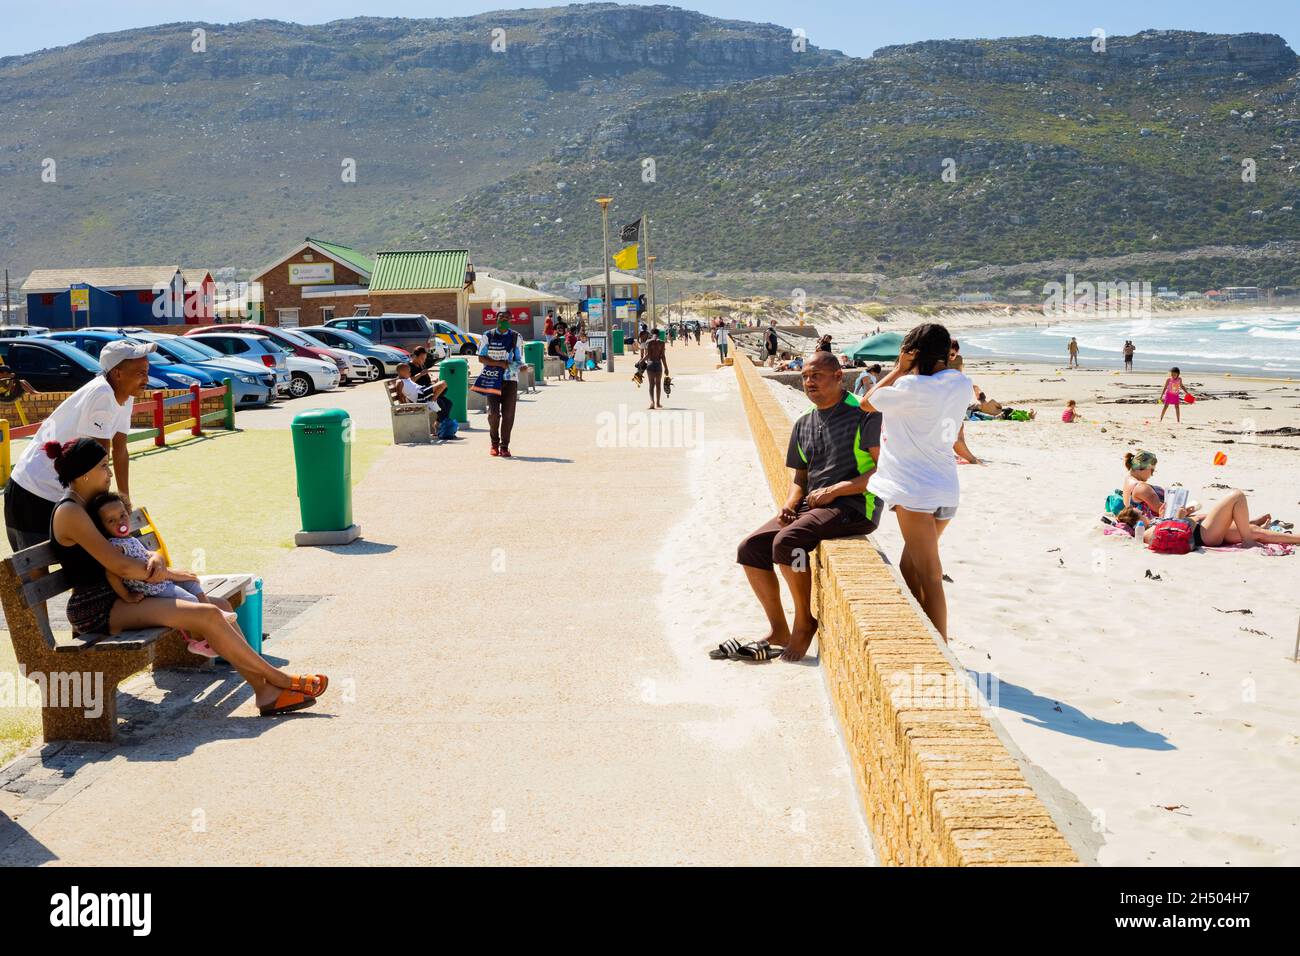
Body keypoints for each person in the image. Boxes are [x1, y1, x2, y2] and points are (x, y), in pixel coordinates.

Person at [46, 438, 327, 715]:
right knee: (207, 614)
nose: (109, 473)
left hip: (131, 593)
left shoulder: (90, 503)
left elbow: (134, 549)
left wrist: (156, 559)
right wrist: (164, 571)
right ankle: (279, 679)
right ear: (83, 473)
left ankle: (265, 693)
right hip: (98, 606)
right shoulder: (70, 511)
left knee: (221, 607)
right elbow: (119, 565)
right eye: (104, 466)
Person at [728, 351, 882, 663]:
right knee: (751, 548)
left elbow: (884, 470)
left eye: (817, 376)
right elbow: (800, 477)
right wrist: (789, 504)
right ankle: (779, 629)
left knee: (789, 544)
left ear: (839, 377)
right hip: (813, 506)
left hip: (855, 505)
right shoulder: (803, 424)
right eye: (805, 377)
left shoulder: (865, 414)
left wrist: (838, 488)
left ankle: (804, 622)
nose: (809, 382)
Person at [859, 324, 974, 641]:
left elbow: (867, 402)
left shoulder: (909, 387)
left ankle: (940, 647)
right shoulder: (961, 384)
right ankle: (925, 630)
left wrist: (898, 368)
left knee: (929, 574)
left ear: (914, 354)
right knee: (910, 568)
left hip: (914, 493)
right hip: (946, 489)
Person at [4, 339, 153, 554]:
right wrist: (109, 506)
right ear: (117, 373)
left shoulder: (125, 395)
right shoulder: (102, 393)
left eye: (147, 371)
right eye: (141, 373)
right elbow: (98, 459)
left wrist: (125, 502)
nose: (147, 379)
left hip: (64, 493)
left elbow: (120, 450)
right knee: (35, 576)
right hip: (32, 491)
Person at [90, 491, 226, 657]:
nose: (120, 522)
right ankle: (198, 641)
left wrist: (156, 556)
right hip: (154, 589)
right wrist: (127, 596)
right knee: (190, 601)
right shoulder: (115, 546)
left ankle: (214, 611)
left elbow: (149, 554)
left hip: (162, 581)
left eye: (122, 515)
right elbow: (112, 574)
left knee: (192, 582)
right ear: (102, 526)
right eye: (111, 521)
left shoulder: (130, 539)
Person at [1117, 491, 1300, 548]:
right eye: (1140, 512)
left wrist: (1170, 516)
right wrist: (1180, 518)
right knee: (1237, 496)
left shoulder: (1153, 523)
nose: (1144, 512)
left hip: (1204, 530)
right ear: (1136, 520)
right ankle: (1247, 541)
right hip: (1204, 534)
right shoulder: (1147, 531)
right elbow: (1171, 535)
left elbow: (1173, 527)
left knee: (1254, 531)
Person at [478, 312, 524, 457]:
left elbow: (518, 359)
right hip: (491, 378)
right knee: (493, 414)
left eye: (506, 319)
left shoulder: (516, 337)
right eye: (501, 318)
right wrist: (499, 363)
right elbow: (481, 358)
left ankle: (504, 446)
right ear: (496, 320)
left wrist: (519, 366)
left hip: (510, 380)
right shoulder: (488, 336)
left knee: (508, 414)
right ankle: (494, 444)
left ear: (511, 320)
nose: (503, 321)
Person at [406, 348, 454, 429]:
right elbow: (408, 381)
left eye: (424, 358)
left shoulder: (422, 365)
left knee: (448, 403)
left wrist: (433, 380)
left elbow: (427, 378)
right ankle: (444, 426)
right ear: (415, 357)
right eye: (422, 358)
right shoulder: (409, 366)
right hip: (421, 394)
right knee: (441, 403)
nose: (424, 361)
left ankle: (439, 423)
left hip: (429, 391)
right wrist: (420, 374)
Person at [642, 329, 668, 409]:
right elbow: (663, 356)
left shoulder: (648, 342)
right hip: (658, 365)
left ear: (651, 334)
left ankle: (652, 402)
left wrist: (641, 361)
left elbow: (648, 355)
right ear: (658, 334)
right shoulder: (662, 342)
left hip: (650, 364)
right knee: (658, 385)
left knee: (651, 385)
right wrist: (666, 368)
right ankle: (658, 403)